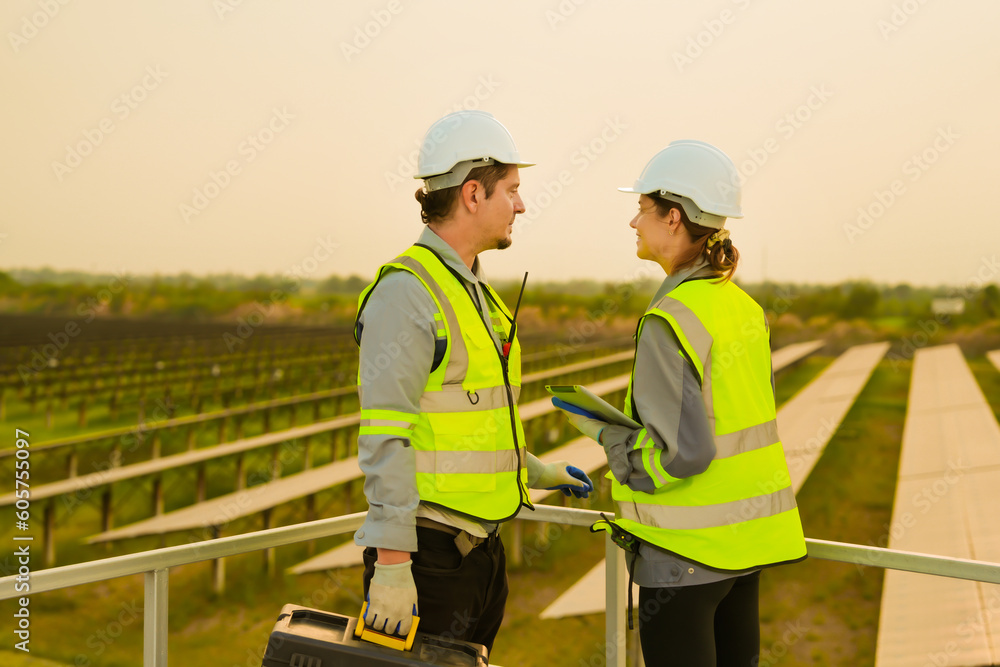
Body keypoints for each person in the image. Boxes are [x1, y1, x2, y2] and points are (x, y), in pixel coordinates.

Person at [353, 109, 595, 656]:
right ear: (471, 195)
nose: (522, 204)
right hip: (427, 559)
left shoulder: (472, 290)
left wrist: (534, 470)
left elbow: (471, 420)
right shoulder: (407, 293)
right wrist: (392, 566)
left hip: (479, 554)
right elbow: (385, 436)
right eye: (512, 190)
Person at [557, 140, 807, 666]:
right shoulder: (742, 307)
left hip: (684, 559)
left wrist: (609, 438)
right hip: (745, 550)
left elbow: (682, 454)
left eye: (642, 210)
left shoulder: (669, 319)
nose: (633, 222)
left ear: (673, 217)